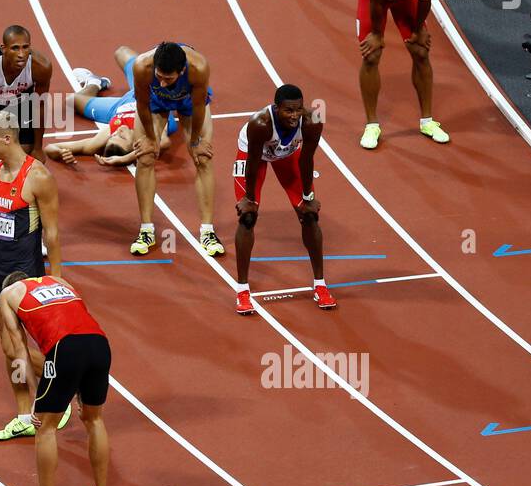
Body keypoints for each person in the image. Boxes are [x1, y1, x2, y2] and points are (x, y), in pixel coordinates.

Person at [0, 111, 72, 440]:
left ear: (7, 139)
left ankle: (61, 390)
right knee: (10, 347)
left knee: (27, 345)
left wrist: (55, 278)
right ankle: (25, 414)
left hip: (25, 273)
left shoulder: (38, 177)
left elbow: (52, 233)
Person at [0, 272, 112, 486]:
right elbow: (80, 316)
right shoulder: (59, 282)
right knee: (94, 420)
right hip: (99, 344)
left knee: (45, 428)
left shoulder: (8, 293)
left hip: (64, 348)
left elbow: (19, 349)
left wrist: (36, 393)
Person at [232, 86, 336, 315]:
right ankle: (242, 290)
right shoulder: (260, 124)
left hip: (287, 156)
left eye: (298, 110)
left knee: (310, 216)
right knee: (247, 218)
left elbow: (307, 160)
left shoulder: (312, 122)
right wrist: (249, 199)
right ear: (276, 108)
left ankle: (320, 285)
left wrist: (308, 197)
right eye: (288, 111)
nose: (294, 116)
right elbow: (251, 163)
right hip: (254, 156)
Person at [125, 42, 224, 258]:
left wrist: (196, 141)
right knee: (145, 157)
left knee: (203, 158)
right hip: (155, 101)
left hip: (189, 102)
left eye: (168, 79)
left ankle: (207, 232)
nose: (162, 81)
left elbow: (198, 107)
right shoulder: (142, 66)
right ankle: (146, 231)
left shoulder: (198, 68)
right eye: (159, 76)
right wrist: (152, 139)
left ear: (181, 71)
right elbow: (142, 104)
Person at [356, 0, 450, 149]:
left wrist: (418, 30)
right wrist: (377, 34)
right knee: (371, 55)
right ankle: (372, 125)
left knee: (421, 52)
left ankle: (427, 122)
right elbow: (376, 4)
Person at [0, 25, 54, 209]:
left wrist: (39, 147)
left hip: (22, 102)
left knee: (23, 158)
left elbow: (40, 105)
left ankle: (19, 207)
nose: (21, 54)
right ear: (3, 49)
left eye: (26, 47)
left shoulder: (41, 66)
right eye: (15, 48)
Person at [47, 59, 180, 167]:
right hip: (146, 89)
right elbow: (164, 143)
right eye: (122, 137)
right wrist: (126, 159)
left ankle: (95, 83)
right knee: (133, 59)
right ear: (135, 144)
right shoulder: (149, 131)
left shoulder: (110, 134)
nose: (118, 131)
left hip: (118, 107)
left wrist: (59, 153)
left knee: (72, 100)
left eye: (113, 136)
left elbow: (49, 147)